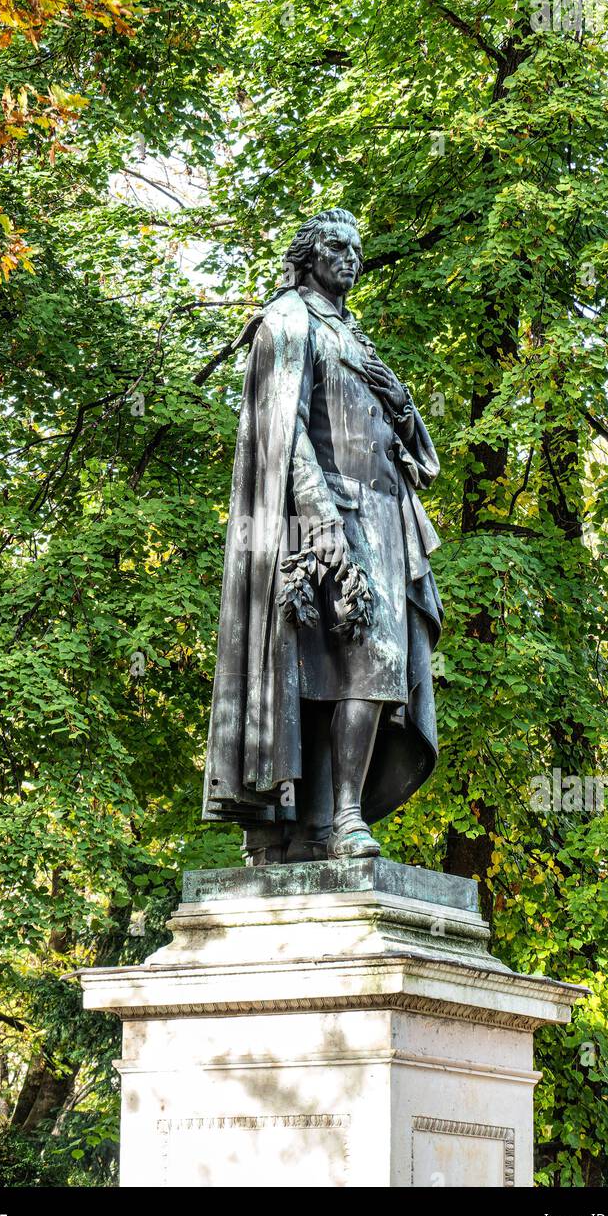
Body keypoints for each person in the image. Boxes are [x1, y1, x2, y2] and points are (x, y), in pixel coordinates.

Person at [203, 208, 443, 863]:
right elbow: (285, 430)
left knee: (378, 667)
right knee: (352, 664)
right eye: (337, 245)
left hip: (384, 517)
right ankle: (333, 820)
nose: (352, 257)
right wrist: (322, 519)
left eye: (359, 248)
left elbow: (405, 443)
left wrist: (404, 406)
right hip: (329, 517)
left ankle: (336, 817)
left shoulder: (356, 336)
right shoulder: (288, 320)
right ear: (308, 254)